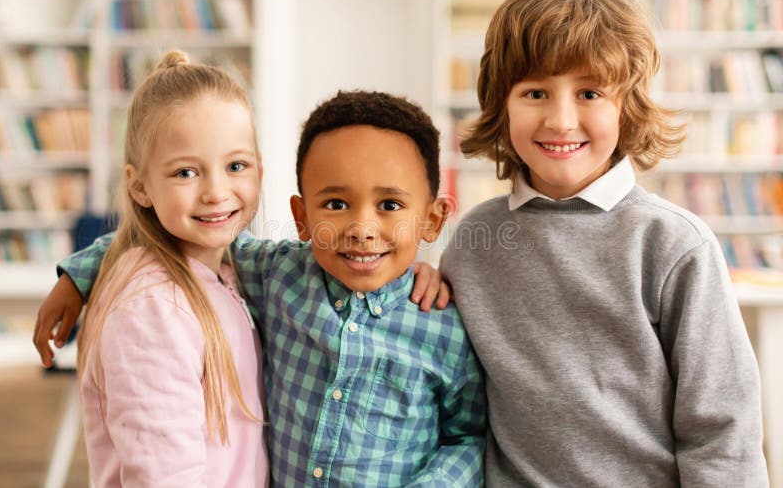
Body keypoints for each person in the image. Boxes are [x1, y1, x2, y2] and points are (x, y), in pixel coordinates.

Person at [35, 90, 486, 486]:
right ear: (301, 215)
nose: (362, 228)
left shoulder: (444, 326)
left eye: (390, 205)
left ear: (432, 220)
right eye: (335, 204)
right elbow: (180, 234)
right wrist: (80, 274)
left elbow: (467, 435)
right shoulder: (278, 275)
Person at [439, 0, 769, 487]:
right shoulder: (474, 239)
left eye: (589, 92)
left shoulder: (673, 244)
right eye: (535, 92)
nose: (561, 119)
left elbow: (721, 430)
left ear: (626, 104)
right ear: (500, 104)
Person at [74, 50, 268, 486]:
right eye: (185, 173)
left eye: (236, 165)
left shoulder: (230, 269)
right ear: (139, 185)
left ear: (260, 169)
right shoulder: (154, 311)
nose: (216, 192)